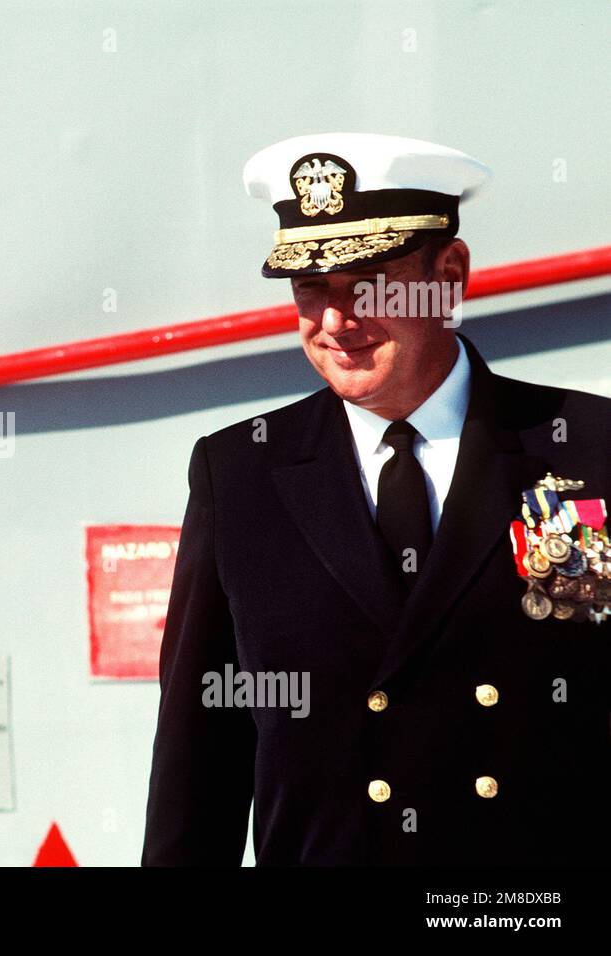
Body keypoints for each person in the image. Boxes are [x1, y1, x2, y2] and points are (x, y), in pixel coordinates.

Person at [142, 133, 611, 865]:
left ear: (449, 274)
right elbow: (200, 756)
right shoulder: (239, 475)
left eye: (367, 285)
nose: (334, 322)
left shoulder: (588, 449)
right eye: (309, 289)